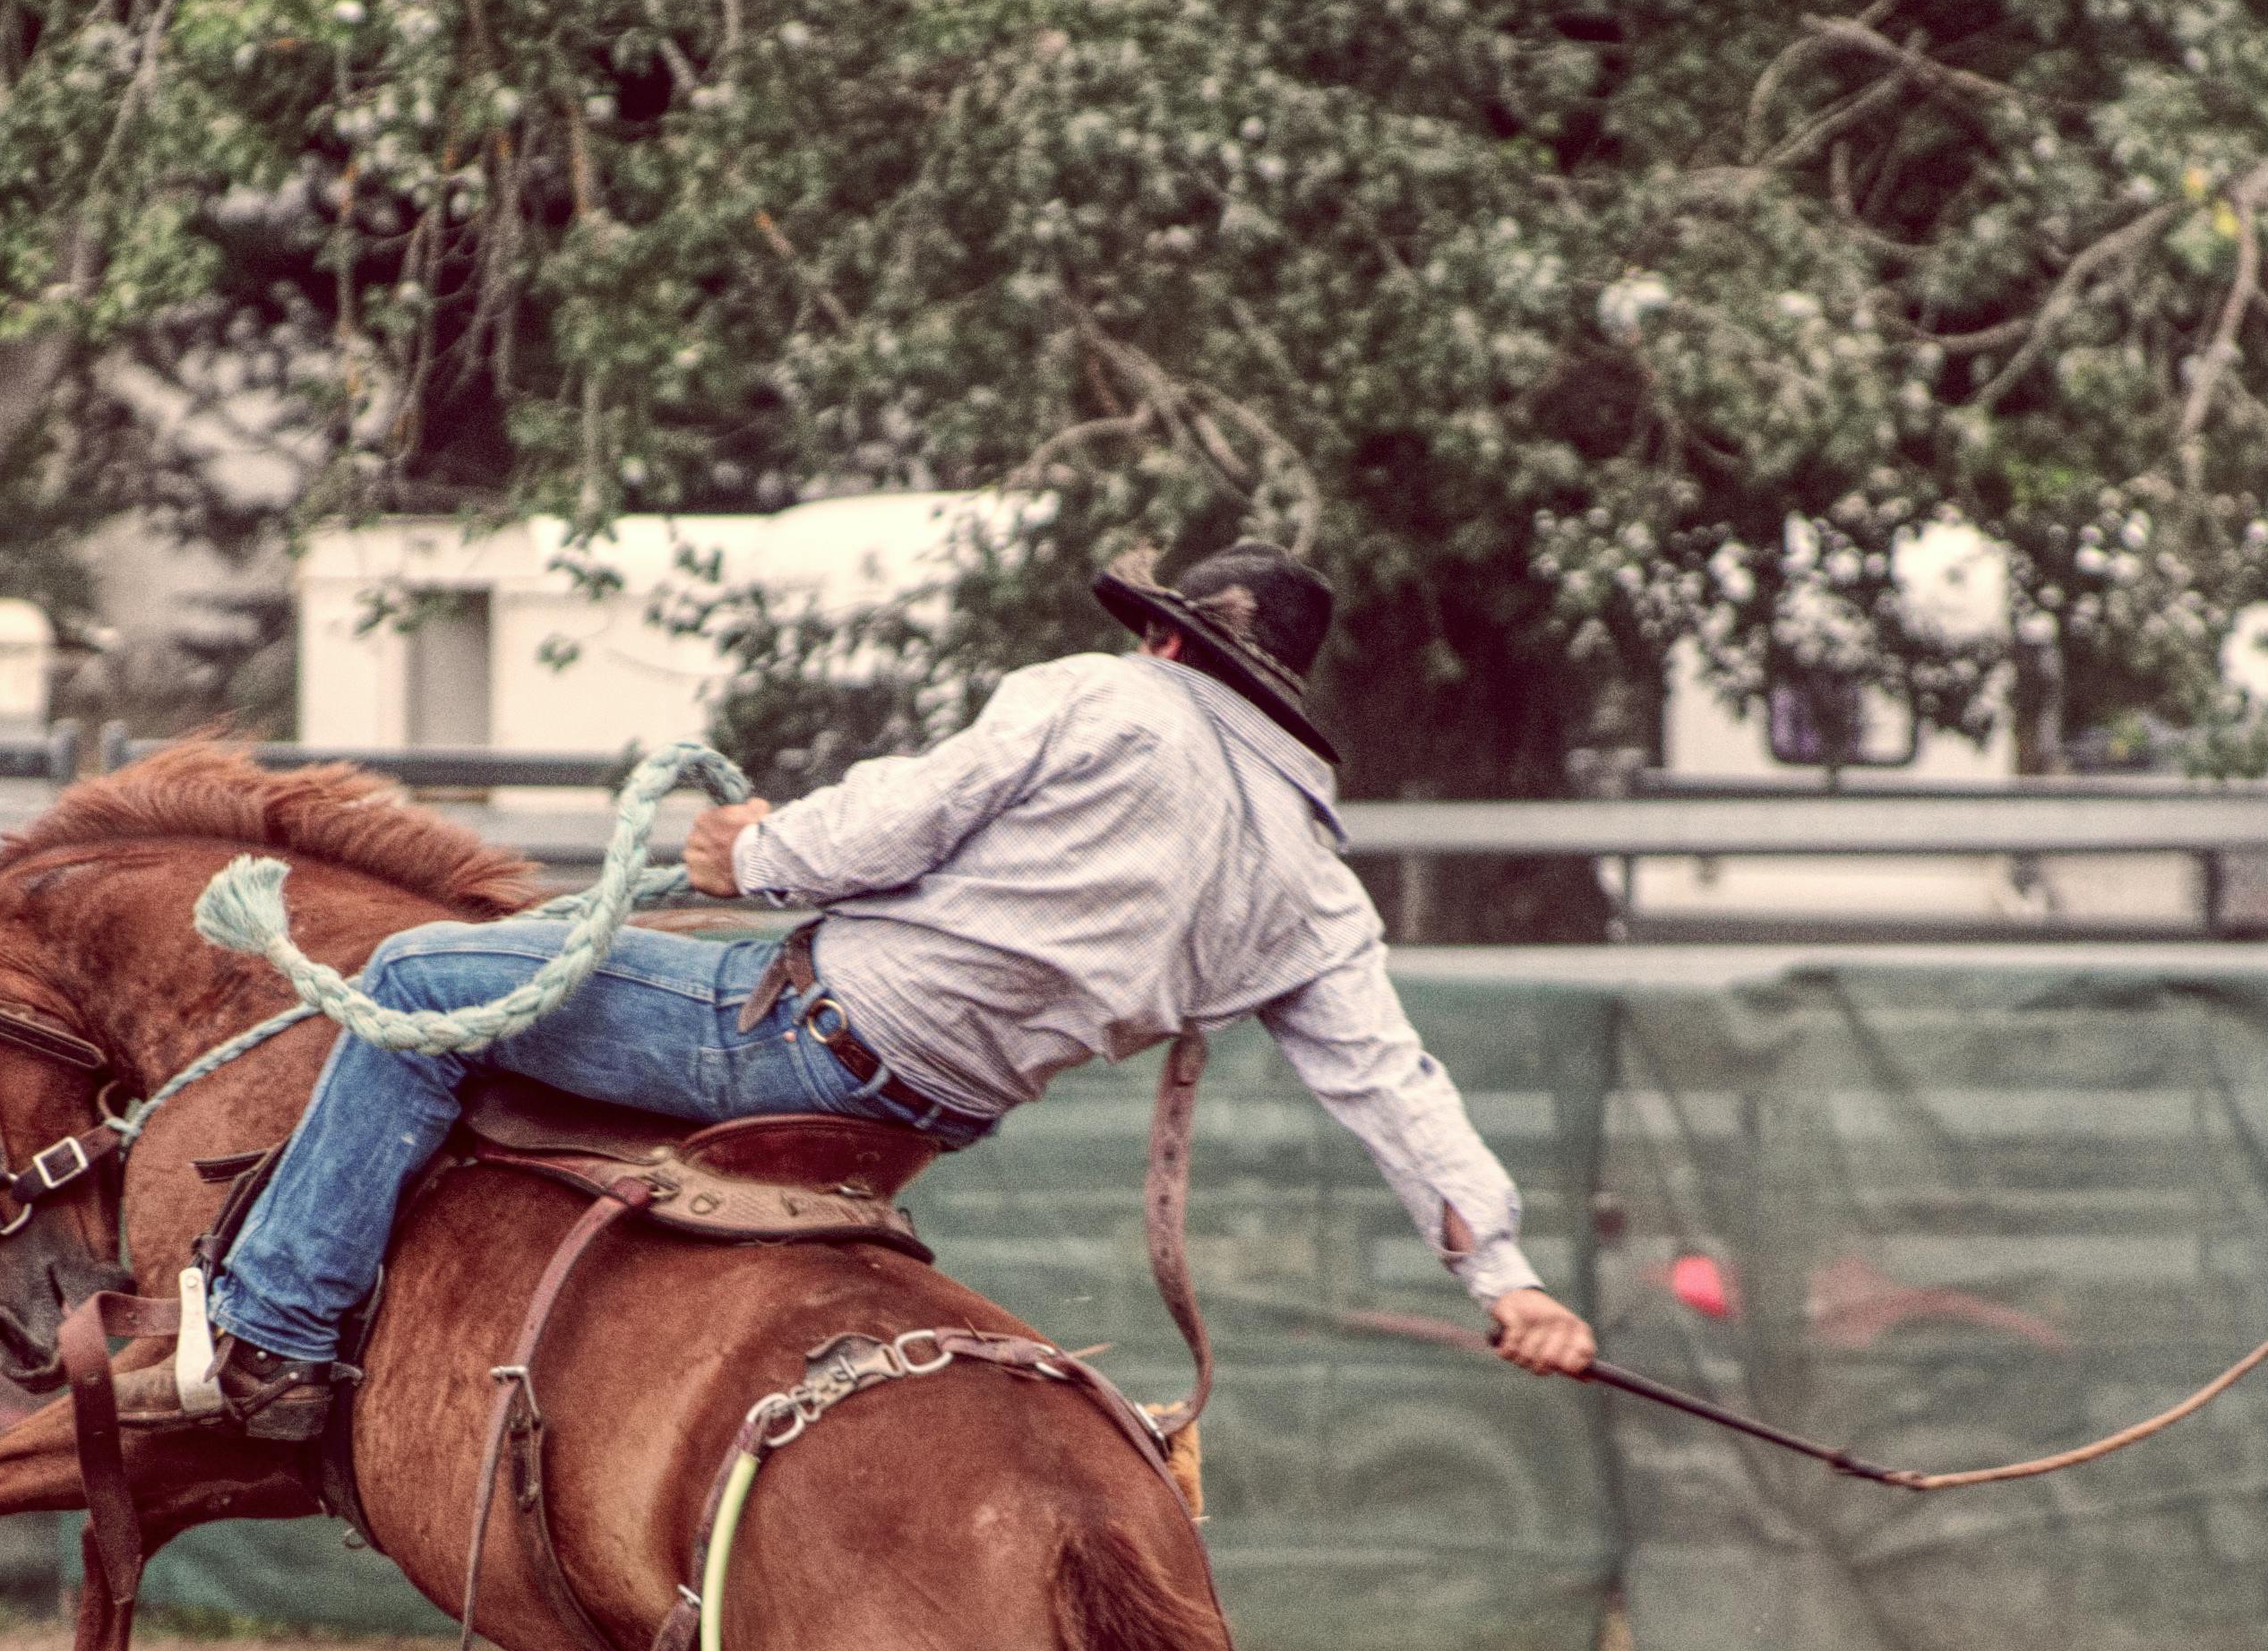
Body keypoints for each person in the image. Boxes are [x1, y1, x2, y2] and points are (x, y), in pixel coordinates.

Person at [193, 543, 1597, 1437]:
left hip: (801, 1034)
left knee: (421, 977)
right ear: (1278, 688)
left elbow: (892, 831)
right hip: (924, 1112)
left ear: (1171, 639)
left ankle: (273, 1336)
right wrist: (1508, 1277)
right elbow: (1392, 1088)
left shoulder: (1100, 699)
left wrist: (757, 846)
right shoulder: (1312, 876)